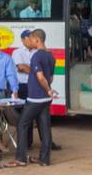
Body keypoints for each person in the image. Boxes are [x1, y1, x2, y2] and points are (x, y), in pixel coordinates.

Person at [8, 28, 57, 167]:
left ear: (37, 40)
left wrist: (47, 90)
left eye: (31, 39)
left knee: (22, 124)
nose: (30, 41)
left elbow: (40, 77)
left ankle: (21, 158)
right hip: (46, 100)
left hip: (35, 98)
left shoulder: (36, 56)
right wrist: (48, 90)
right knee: (45, 127)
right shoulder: (50, 56)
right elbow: (50, 77)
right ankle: (44, 159)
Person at [12, 29, 34, 99]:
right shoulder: (17, 52)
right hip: (22, 86)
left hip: (34, 85)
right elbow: (21, 67)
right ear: (22, 40)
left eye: (32, 37)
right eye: (28, 38)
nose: (31, 40)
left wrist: (27, 67)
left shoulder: (37, 51)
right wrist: (37, 71)